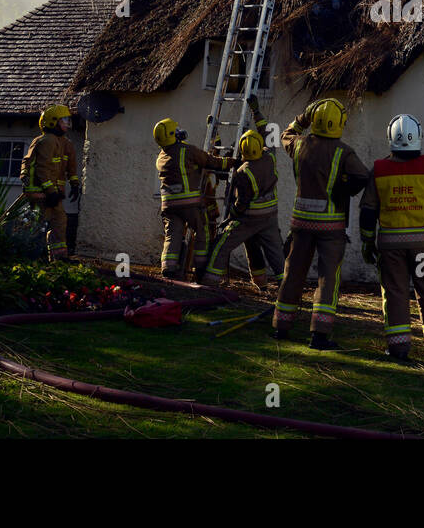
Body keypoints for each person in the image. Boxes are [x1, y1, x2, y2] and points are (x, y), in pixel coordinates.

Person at [359, 114, 424, 363]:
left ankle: (399, 349)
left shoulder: (379, 170)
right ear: (419, 136)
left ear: (390, 137)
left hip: (391, 248)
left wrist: (367, 241)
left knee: (395, 293)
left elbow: (368, 212)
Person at [273, 98, 369, 349]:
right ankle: (319, 334)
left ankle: (281, 326)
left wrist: (302, 118)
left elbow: (286, 133)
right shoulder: (343, 152)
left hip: (301, 223)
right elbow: (362, 176)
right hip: (331, 227)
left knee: (292, 273)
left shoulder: (299, 145)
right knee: (327, 279)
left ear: (313, 121)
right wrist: (342, 189)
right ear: (340, 123)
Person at [201, 96, 285, 289]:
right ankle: (286, 288)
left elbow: (238, 194)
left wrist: (233, 216)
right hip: (270, 216)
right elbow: (265, 131)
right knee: (275, 253)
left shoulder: (242, 171)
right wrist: (256, 111)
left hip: (248, 218)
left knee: (222, 245)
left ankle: (209, 281)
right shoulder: (270, 156)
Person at [153, 117, 235, 281]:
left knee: (173, 235)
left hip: (168, 205)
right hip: (189, 204)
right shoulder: (187, 151)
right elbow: (211, 161)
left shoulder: (161, 157)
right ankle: (200, 268)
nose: (179, 132)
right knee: (202, 231)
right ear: (172, 134)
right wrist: (233, 162)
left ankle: (168, 268)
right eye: (175, 131)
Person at [21, 104, 80, 262]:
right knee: (37, 223)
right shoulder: (47, 141)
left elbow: (69, 166)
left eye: (68, 120)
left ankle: (58, 258)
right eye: (64, 120)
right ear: (53, 121)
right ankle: (29, 256)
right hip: (41, 192)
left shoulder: (64, 142)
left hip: (53, 192)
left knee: (59, 222)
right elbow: (42, 168)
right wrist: (50, 191)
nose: (67, 123)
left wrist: (74, 184)